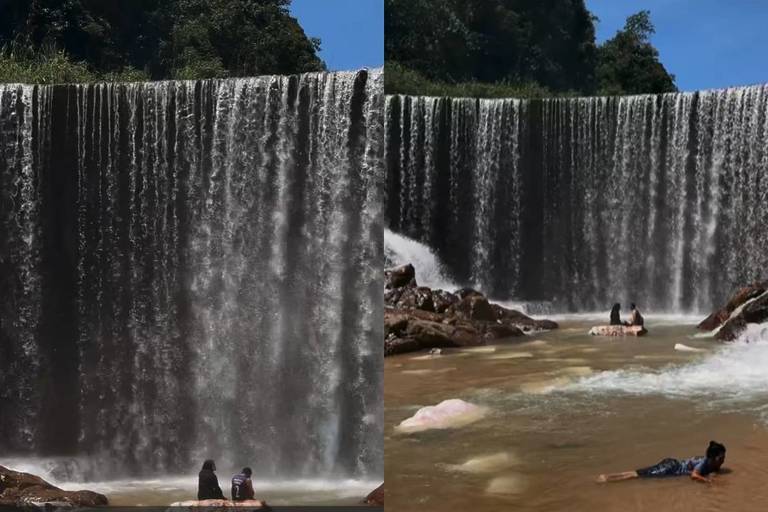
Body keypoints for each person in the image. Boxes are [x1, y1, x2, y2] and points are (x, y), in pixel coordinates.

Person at [597, 441, 726, 483]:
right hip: (671, 467)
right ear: (716, 458)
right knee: (639, 474)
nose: (724, 460)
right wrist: (707, 481)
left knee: (641, 474)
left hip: (672, 465)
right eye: (722, 457)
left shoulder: (711, 465)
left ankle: (608, 477)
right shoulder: (703, 463)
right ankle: (607, 478)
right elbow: (694, 475)